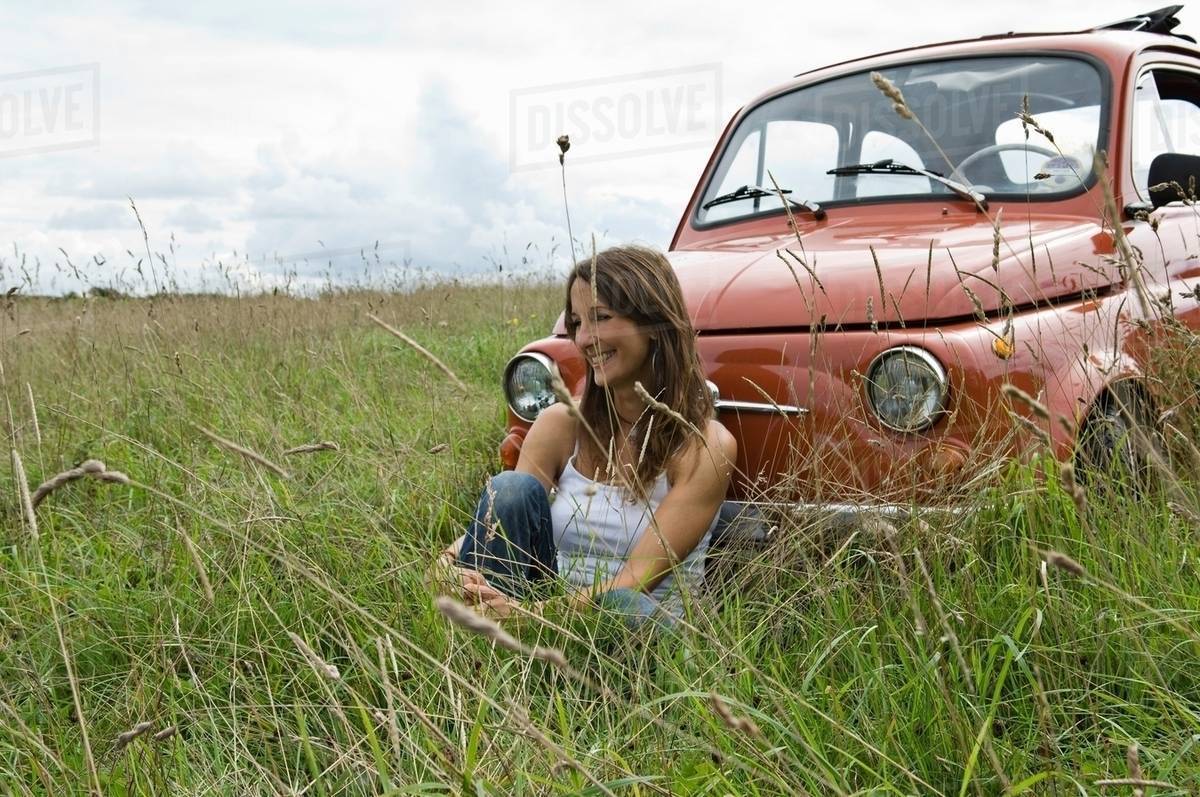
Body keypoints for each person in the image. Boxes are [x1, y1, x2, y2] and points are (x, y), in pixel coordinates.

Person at [434, 245, 736, 626]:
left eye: (602, 317)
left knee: (624, 605)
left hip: (644, 641)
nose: (585, 339)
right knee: (511, 488)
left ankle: (503, 637)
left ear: (655, 324)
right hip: (548, 624)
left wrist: (529, 615)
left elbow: (635, 581)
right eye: (577, 323)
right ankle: (486, 650)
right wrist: (447, 564)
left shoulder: (705, 444)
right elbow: (506, 519)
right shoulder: (561, 424)